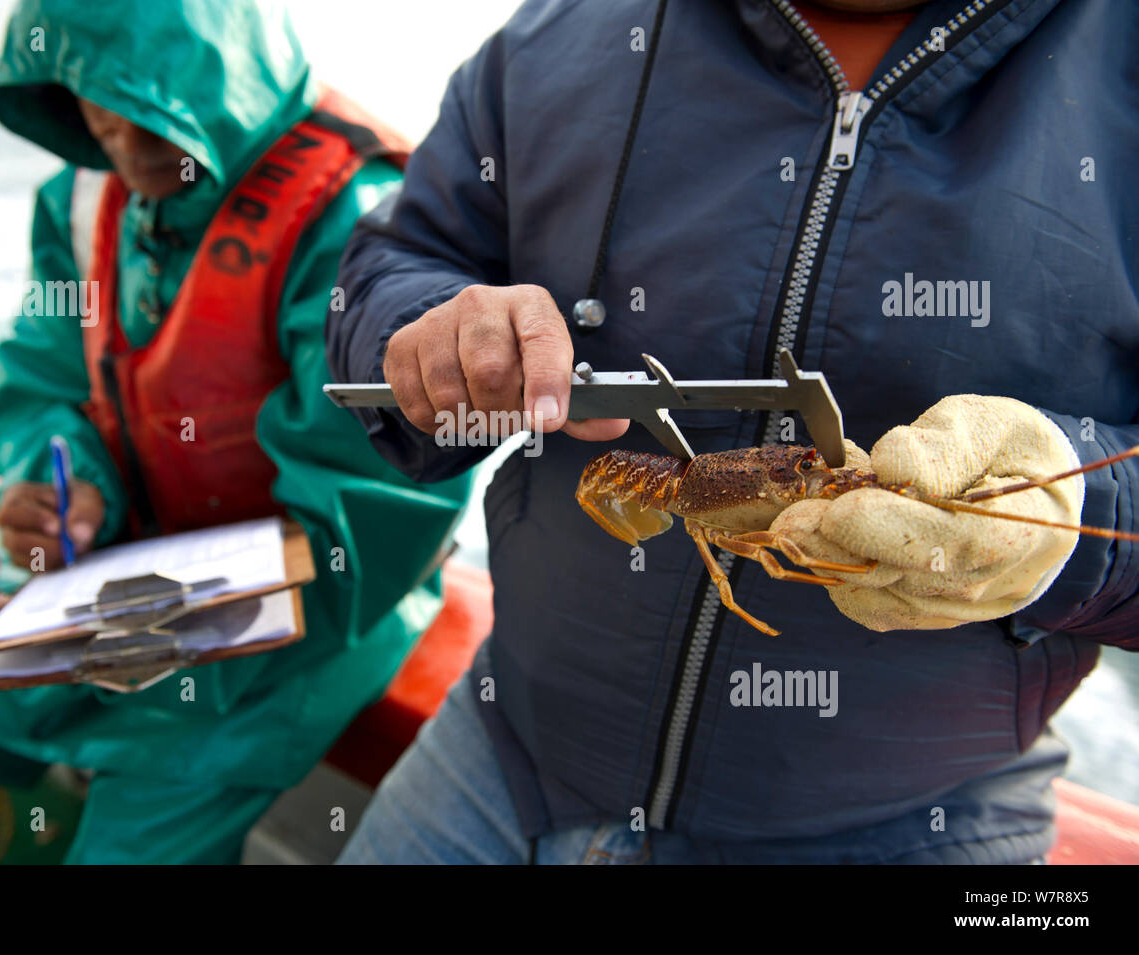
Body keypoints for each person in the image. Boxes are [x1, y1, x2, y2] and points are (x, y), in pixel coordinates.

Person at [328, 0, 1138, 864]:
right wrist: (430, 334)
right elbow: (391, 266)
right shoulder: (563, 32)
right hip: (500, 757)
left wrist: (1070, 522)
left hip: (909, 830)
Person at [0, 0, 468, 864]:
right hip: (105, 569)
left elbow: (362, 531)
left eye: (154, 127)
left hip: (302, 620)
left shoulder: (357, 221)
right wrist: (63, 493)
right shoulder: (84, 187)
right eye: (100, 121)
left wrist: (140, 624)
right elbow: (42, 378)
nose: (129, 159)